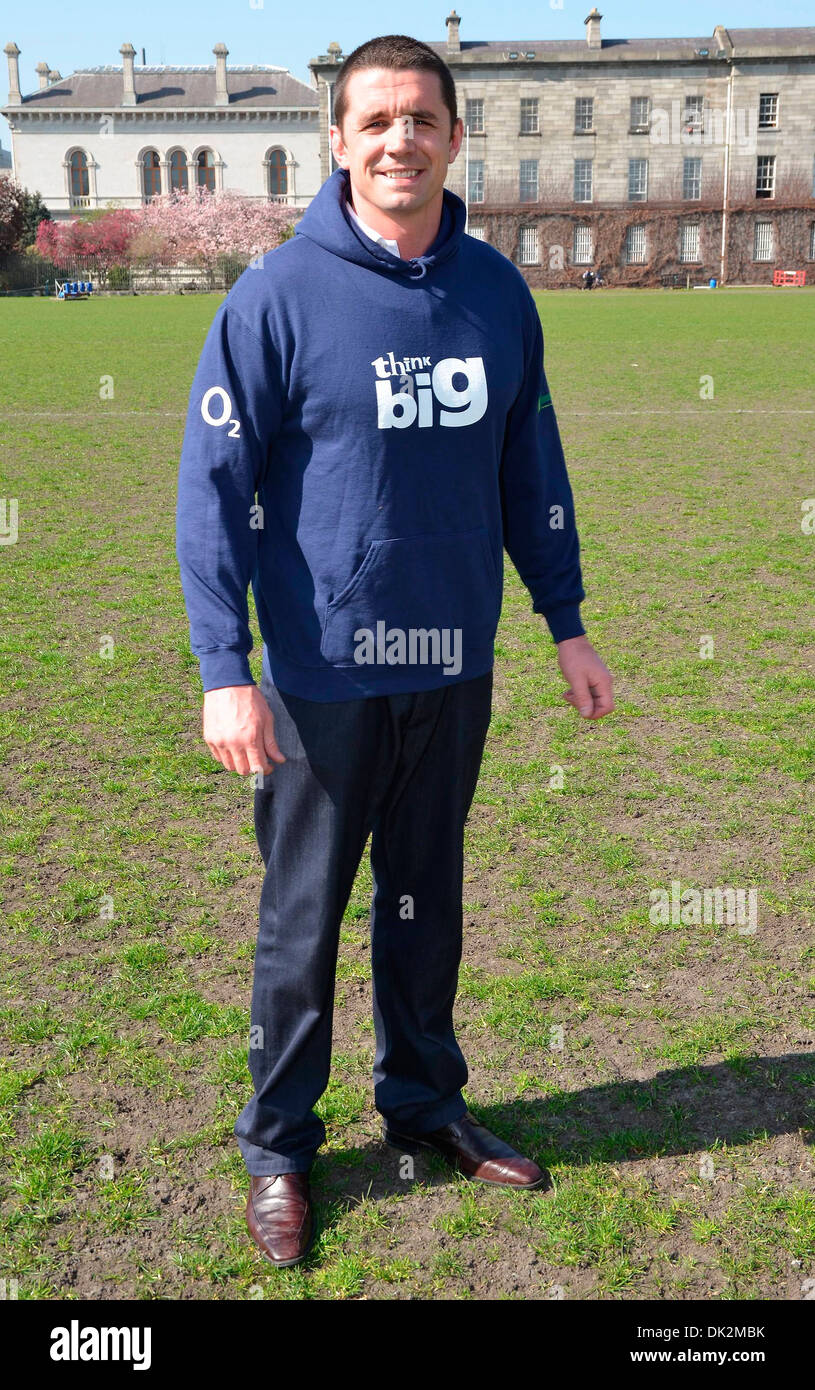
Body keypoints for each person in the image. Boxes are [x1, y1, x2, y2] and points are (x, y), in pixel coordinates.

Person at [176, 32, 614, 1270]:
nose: (396, 141)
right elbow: (212, 492)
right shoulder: (274, 294)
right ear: (338, 141)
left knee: (425, 912)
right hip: (319, 679)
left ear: (453, 138)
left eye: (419, 119)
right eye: (373, 121)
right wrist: (225, 666)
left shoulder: (492, 293)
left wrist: (564, 621)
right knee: (301, 924)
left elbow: (531, 468)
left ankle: (423, 1105)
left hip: (449, 665)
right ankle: (278, 1149)